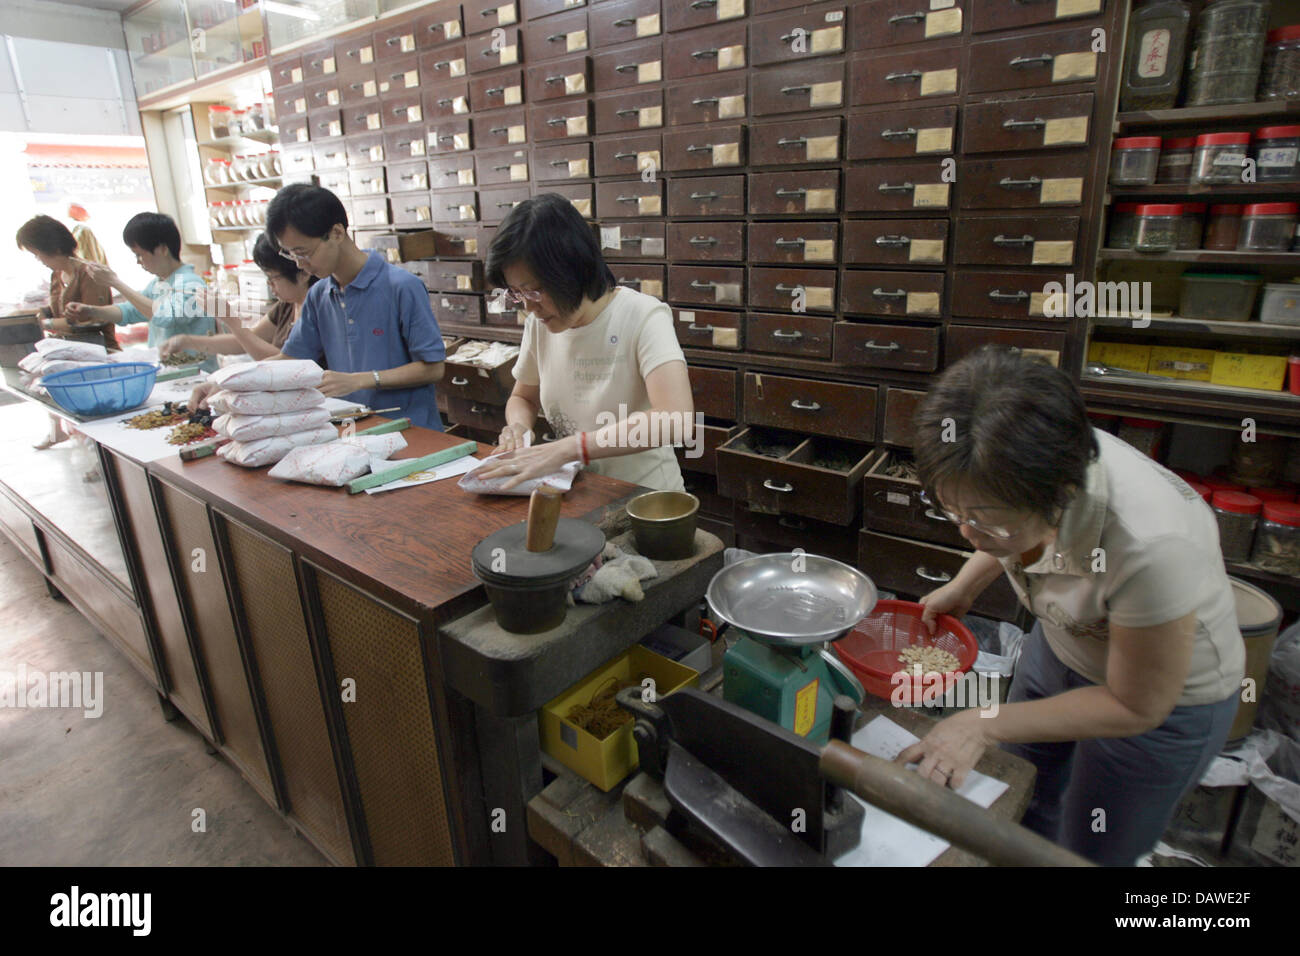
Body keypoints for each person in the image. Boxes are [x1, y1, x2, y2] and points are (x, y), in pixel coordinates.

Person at [897, 347, 1244, 866]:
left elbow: (1136, 704)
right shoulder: (1025, 461)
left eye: (986, 522)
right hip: (1062, 645)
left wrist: (982, 721)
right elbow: (1004, 527)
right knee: (1018, 799)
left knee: (1091, 847)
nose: (968, 533)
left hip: (1160, 701)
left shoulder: (1153, 547)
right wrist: (967, 585)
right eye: (952, 512)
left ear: (1058, 495)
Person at [475, 193, 693, 492]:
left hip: (645, 499)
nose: (528, 306)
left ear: (571, 271)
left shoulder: (642, 315)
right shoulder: (540, 323)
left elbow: (676, 418)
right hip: (579, 491)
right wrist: (518, 428)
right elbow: (523, 397)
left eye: (534, 290)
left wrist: (569, 448)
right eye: (517, 293)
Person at [194, 184, 445, 427]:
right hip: (349, 429)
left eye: (303, 252)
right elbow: (289, 360)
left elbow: (433, 368)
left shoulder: (401, 287)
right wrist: (227, 383)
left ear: (336, 233)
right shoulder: (319, 295)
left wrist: (362, 380)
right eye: (290, 254)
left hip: (411, 430)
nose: (299, 264)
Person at [15, 215, 117, 450]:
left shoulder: (89, 274)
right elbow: (54, 311)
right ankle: (59, 432)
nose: (38, 259)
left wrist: (49, 324)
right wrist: (42, 317)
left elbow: (94, 320)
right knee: (40, 378)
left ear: (52, 247)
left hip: (96, 350)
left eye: (37, 252)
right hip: (64, 347)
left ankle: (101, 451)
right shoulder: (56, 275)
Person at [64, 212, 215, 361]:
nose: (138, 261)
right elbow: (129, 311)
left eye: (139, 255)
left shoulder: (191, 283)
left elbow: (166, 316)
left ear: (163, 249)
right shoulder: (159, 283)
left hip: (196, 373)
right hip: (172, 372)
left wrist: (115, 283)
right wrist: (90, 310)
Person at [162, 232, 315, 362]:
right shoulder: (286, 306)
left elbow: (289, 363)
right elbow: (245, 341)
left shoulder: (316, 308)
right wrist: (187, 341)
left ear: (303, 273)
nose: (269, 285)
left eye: (273, 277)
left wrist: (231, 320)